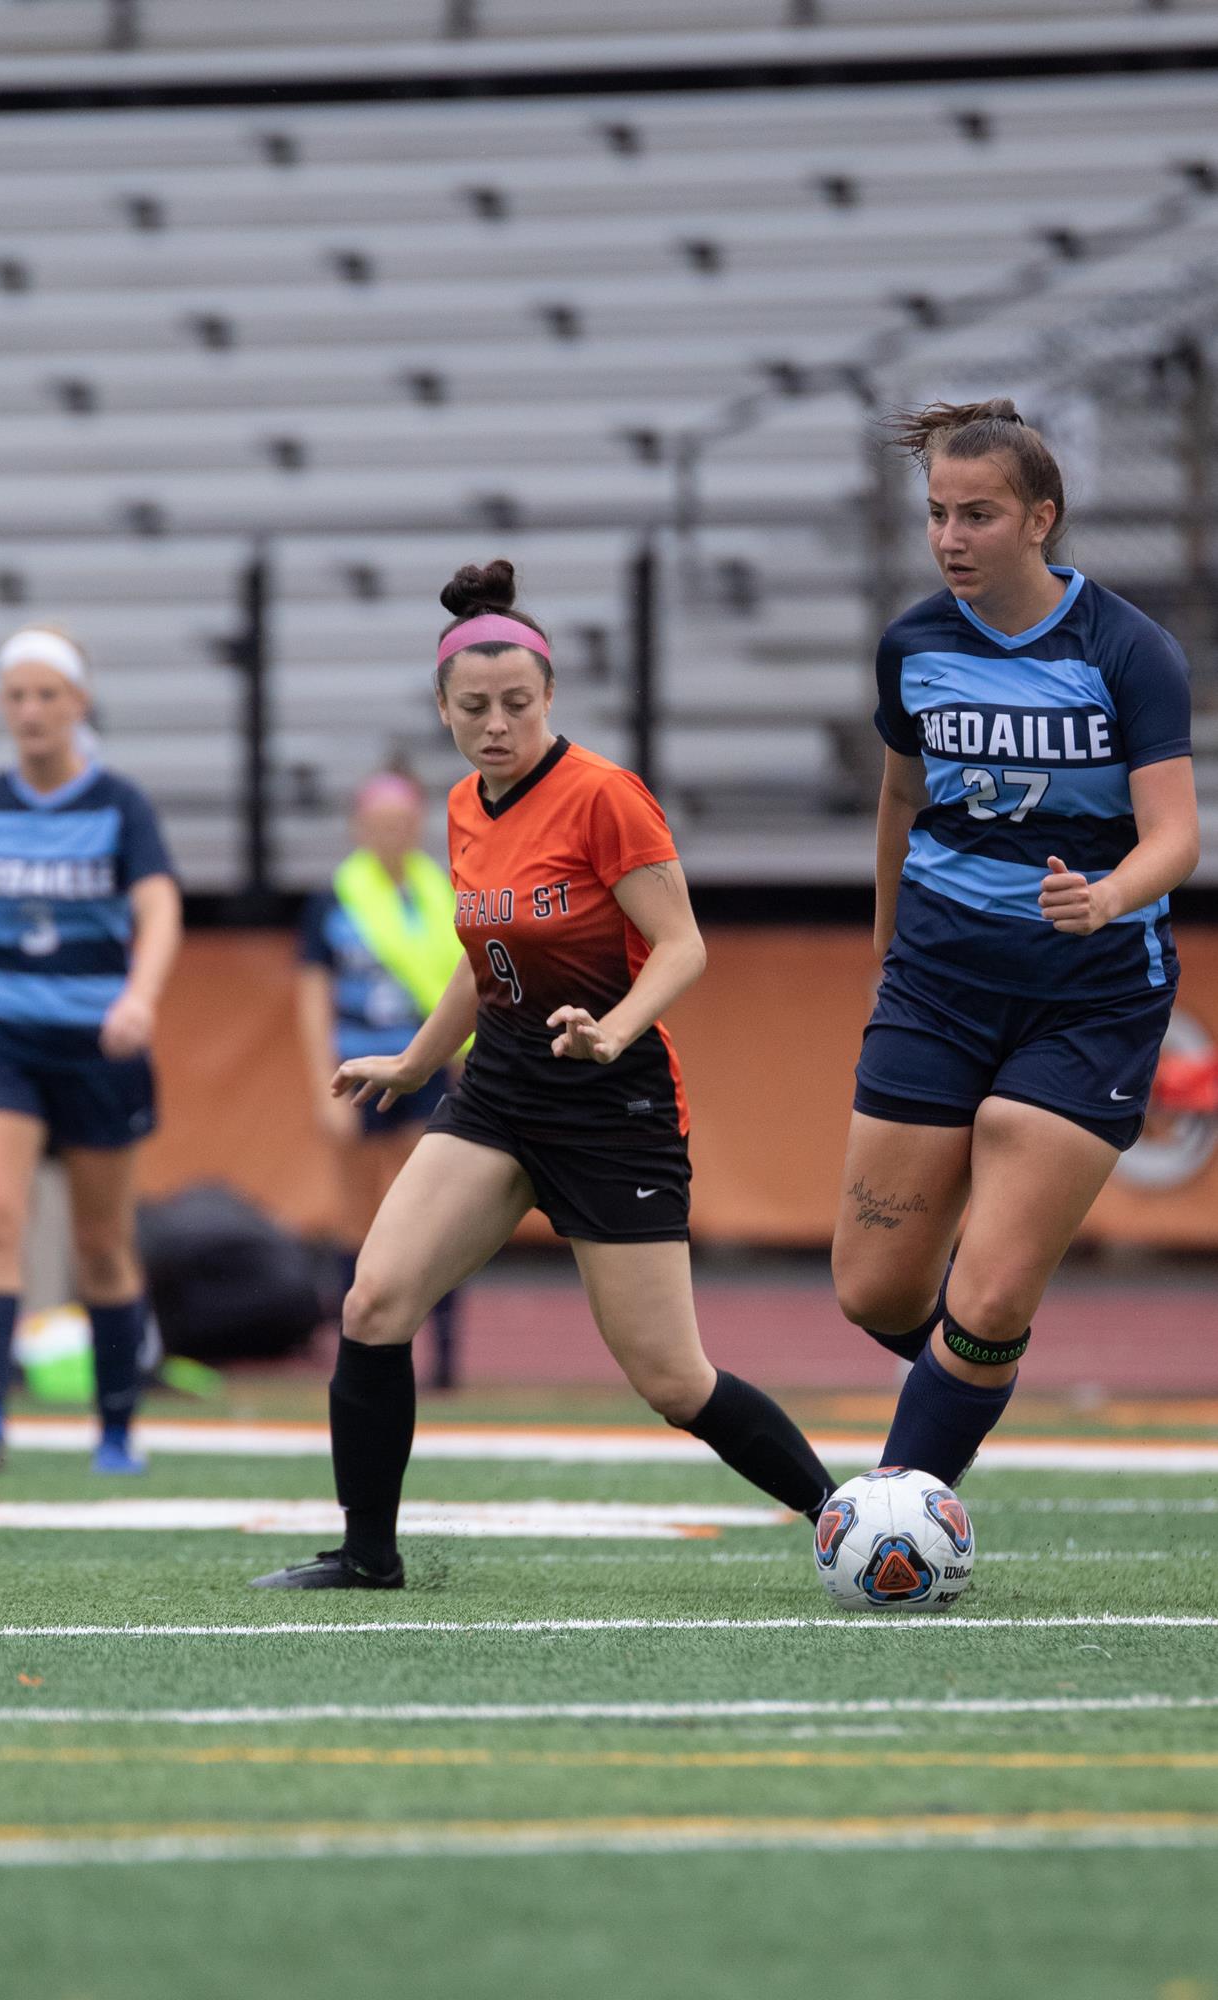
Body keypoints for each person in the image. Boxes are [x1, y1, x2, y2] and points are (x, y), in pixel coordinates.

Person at [253, 559, 832, 1589]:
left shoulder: (605, 796)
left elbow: (684, 945)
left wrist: (611, 1030)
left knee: (672, 1379)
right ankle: (366, 1555)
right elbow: (488, 965)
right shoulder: (464, 807)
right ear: (441, 708)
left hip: (614, 1105)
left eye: (516, 703)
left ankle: (843, 1513)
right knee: (374, 1301)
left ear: (550, 697)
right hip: (503, 1090)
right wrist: (416, 1060)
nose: (495, 724)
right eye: (472, 706)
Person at [831, 398, 1198, 1486]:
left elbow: (1176, 835)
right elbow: (899, 806)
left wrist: (1107, 892)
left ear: (1042, 517)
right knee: (875, 1291)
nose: (950, 538)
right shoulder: (912, 647)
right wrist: (887, 951)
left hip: (1090, 996)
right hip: (935, 985)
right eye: (938, 514)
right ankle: (974, 1367)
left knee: (988, 1293)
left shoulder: (1131, 652)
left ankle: (901, 1516)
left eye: (977, 515)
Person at [0, 625, 182, 1473]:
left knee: (99, 1244)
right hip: (0, 1041)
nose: (31, 711)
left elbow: (159, 909)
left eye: (48, 694)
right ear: (0, 708)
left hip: (98, 1044)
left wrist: (140, 997)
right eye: (17, 696)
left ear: (78, 704)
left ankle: (118, 1428)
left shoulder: (119, 805)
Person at [297, 770, 465, 1389]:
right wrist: (323, 1087)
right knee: (358, 1216)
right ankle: (359, 1354)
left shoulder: (443, 893)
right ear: (359, 828)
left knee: (435, 1215)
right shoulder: (335, 900)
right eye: (379, 822)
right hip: (360, 1074)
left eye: (403, 821)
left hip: (429, 1071)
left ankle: (445, 1362)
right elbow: (312, 1000)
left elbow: (466, 983)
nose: (392, 833)